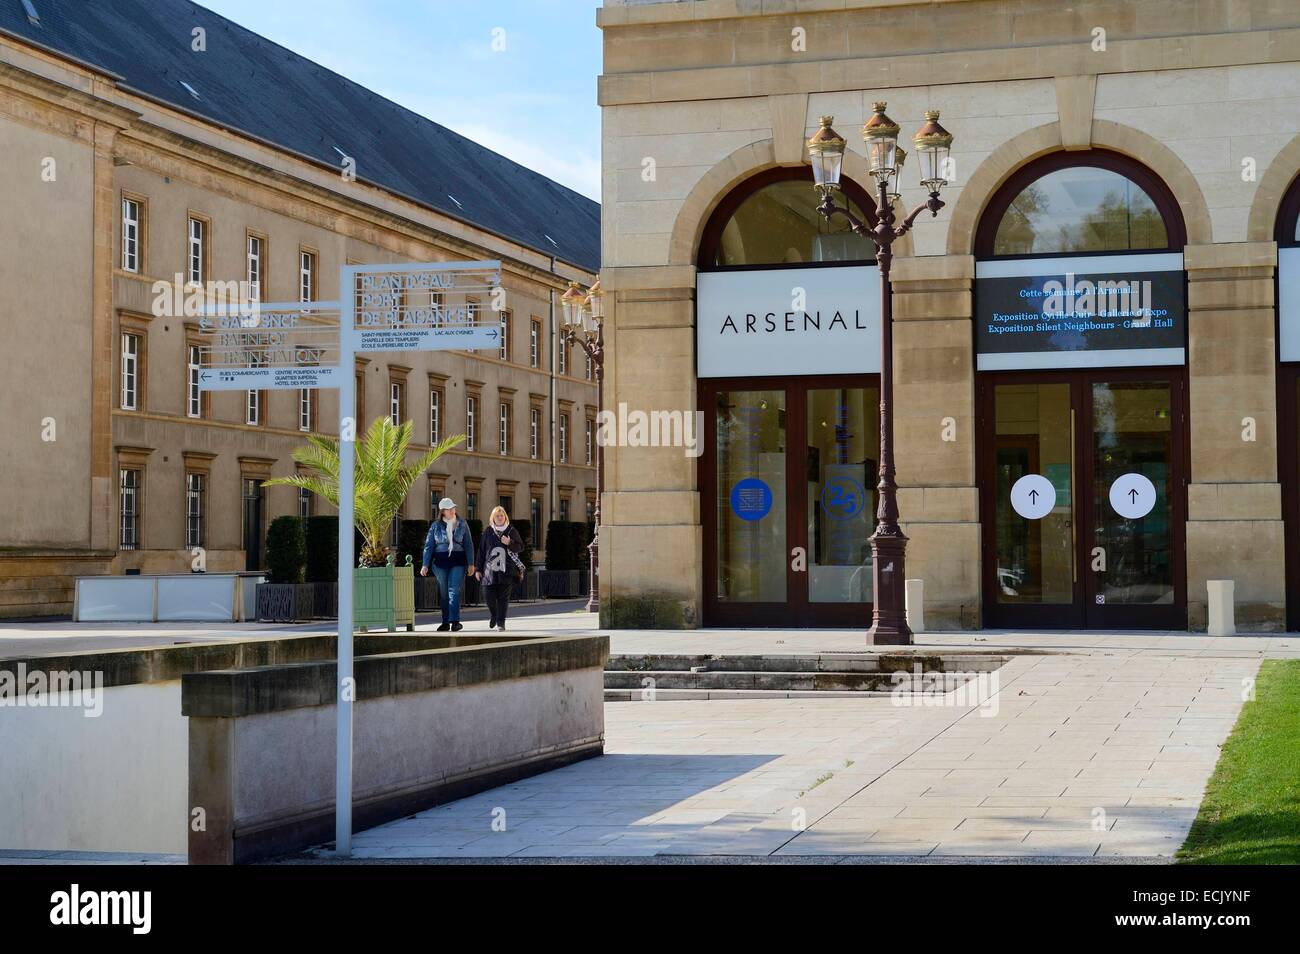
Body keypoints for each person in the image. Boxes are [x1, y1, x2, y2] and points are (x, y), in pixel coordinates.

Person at [420, 497, 475, 632]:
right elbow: (429, 546)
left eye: (453, 508)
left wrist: (471, 564)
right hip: (440, 563)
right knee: (444, 593)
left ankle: (455, 621)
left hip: (458, 561)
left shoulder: (462, 524)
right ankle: (445, 622)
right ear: (442, 511)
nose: (452, 511)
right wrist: (425, 564)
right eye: (449, 509)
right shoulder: (435, 526)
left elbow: (468, 544)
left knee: (454, 591)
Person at [475, 506, 525, 630]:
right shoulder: (488, 531)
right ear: (493, 518)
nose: (500, 517)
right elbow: (481, 551)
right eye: (497, 515)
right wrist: (478, 569)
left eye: (502, 515)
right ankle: (494, 615)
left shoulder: (511, 530)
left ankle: (500, 623)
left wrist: (510, 543)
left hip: (506, 570)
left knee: (503, 599)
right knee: (488, 596)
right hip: (489, 571)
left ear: (505, 517)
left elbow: (520, 547)